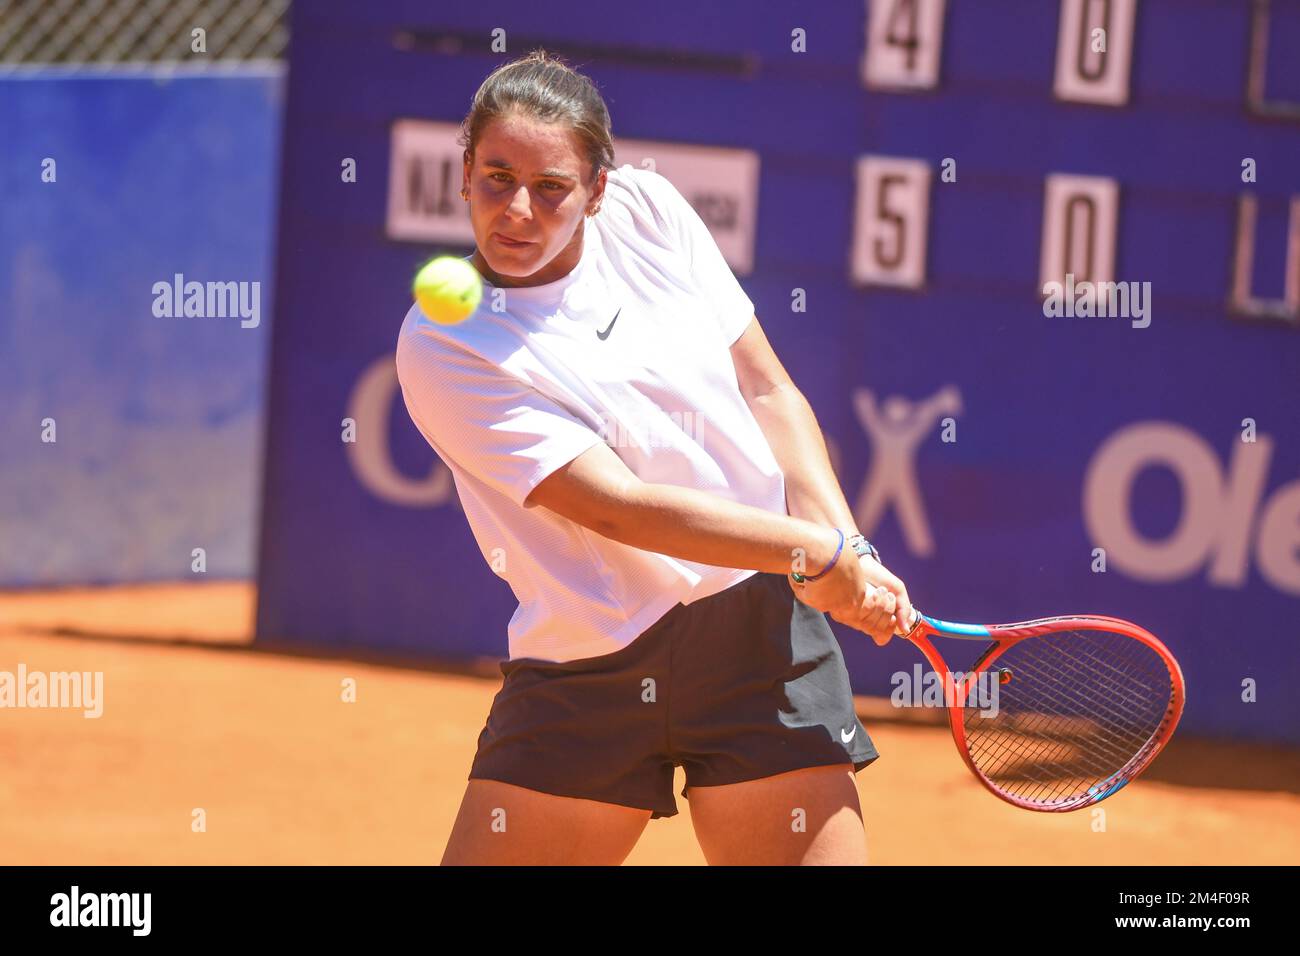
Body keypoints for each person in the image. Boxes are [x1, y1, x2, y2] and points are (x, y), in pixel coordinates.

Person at [395, 49, 913, 865]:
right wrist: (810, 549)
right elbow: (618, 507)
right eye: (496, 177)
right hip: (590, 663)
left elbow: (766, 388)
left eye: (552, 187)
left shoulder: (651, 212)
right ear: (463, 174)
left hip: (759, 643)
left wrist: (847, 546)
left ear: (597, 190)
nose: (518, 210)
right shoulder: (446, 344)